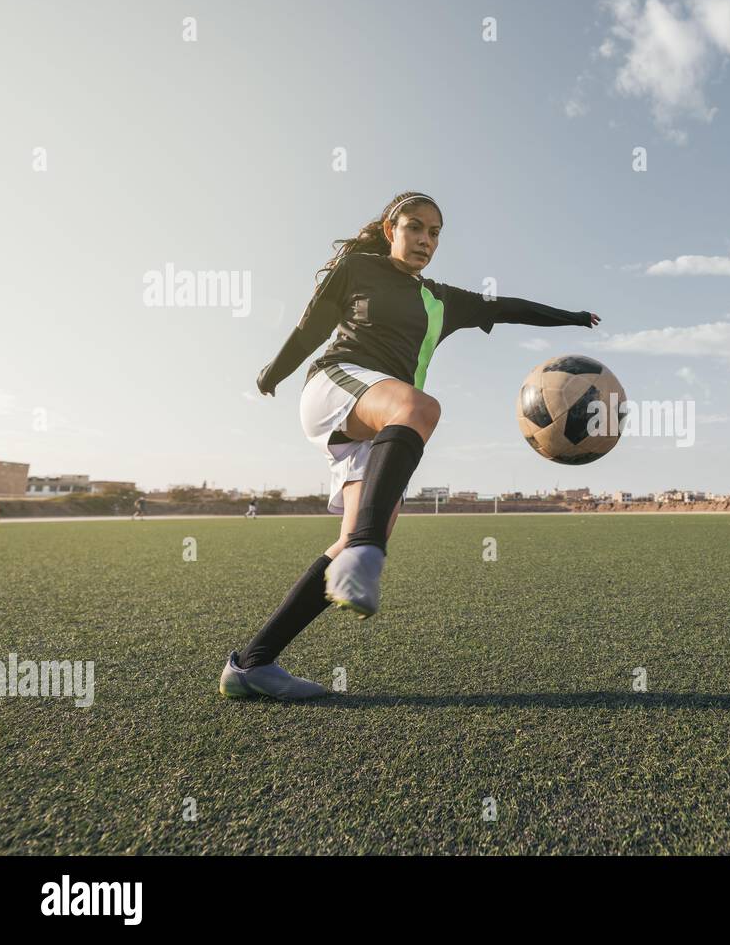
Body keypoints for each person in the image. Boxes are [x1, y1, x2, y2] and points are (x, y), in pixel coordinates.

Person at [219, 191, 600, 700]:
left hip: (379, 421)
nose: (425, 239)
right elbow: (310, 324)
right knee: (421, 410)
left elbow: (507, 307)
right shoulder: (358, 268)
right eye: (415, 227)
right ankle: (367, 551)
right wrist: (274, 373)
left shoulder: (443, 299)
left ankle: (252, 665)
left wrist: (571, 316)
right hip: (337, 384)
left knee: (354, 533)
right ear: (389, 230)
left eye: (435, 232)